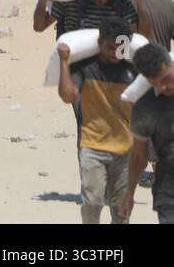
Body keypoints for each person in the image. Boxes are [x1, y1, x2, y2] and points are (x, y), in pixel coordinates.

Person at [56, 19, 136, 224]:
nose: (114, 53)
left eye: (120, 49)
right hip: (92, 146)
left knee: (121, 209)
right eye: (110, 47)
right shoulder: (84, 68)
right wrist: (64, 62)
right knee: (92, 203)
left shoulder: (132, 71)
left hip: (125, 149)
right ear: (100, 43)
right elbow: (67, 96)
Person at [120, 44, 174, 224]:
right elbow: (138, 156)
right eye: (157, 82)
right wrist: (129, 193)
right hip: (168, 189)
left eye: (167, 77)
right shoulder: (145, 108)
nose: (165, 86)